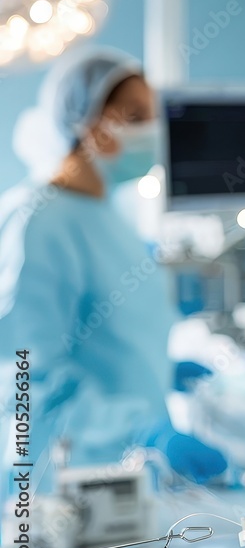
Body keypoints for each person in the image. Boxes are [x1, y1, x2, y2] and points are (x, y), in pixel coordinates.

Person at [0, 48, 227, 505]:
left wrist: (160, 371)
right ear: (88, 122)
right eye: (135, 115)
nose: (153, 129)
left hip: (126, 470)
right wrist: (143, 429)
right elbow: (28, 377)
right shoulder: (42, 222)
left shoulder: (109, 214)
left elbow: (109, 337)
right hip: (62, 480)